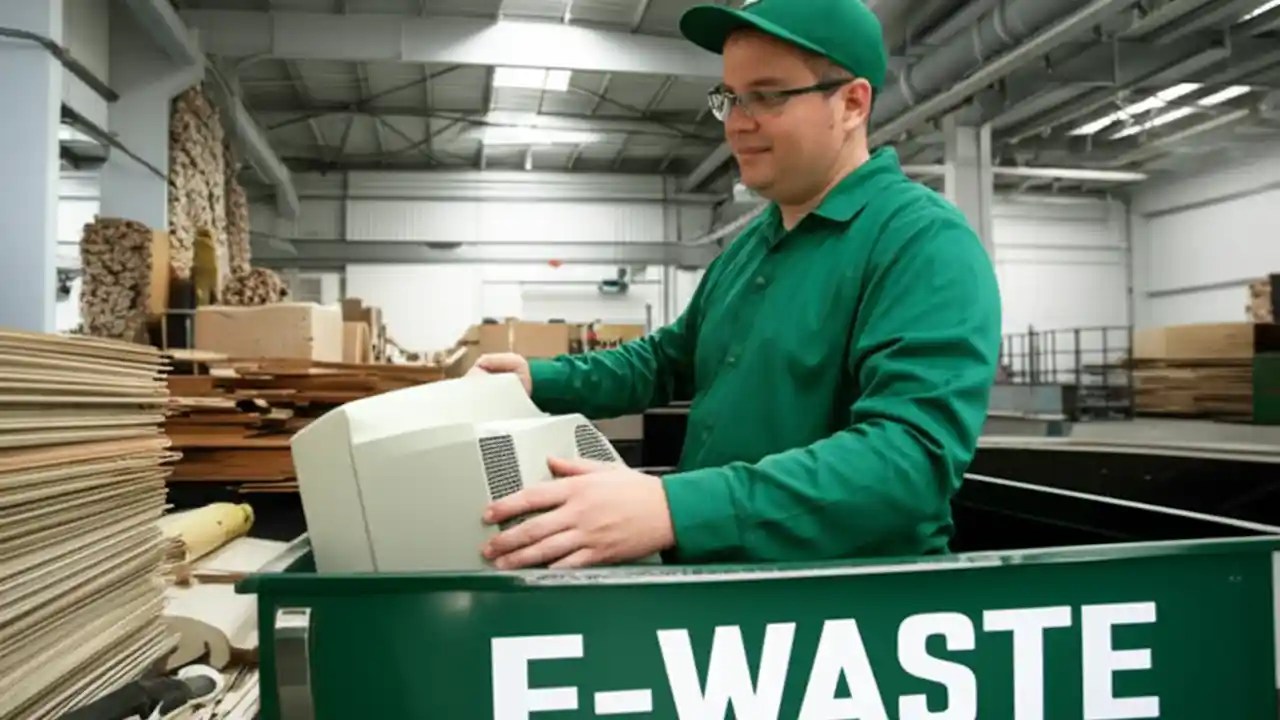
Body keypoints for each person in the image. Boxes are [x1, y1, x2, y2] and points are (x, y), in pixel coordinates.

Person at [470, 0, 1002, 570]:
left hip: (848, 603)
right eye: (730, 96)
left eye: (768, 96)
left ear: (851, 103)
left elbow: (907, 462)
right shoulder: (756, 242)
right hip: (721, 575)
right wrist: (537, 379)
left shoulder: (920, 242)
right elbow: (671, 359)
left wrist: (674, 509)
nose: (736, 122)